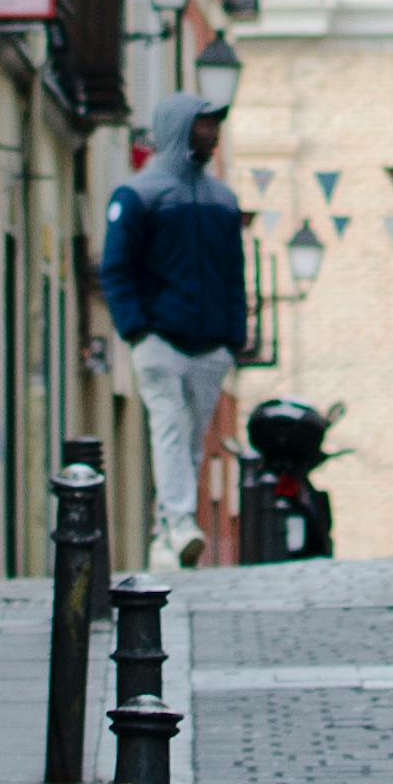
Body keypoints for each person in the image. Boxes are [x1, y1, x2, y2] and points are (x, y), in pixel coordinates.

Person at [101, 89, 245, 568]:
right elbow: (116, 269)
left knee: (189, 439)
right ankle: (181, 521)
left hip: (210, 346)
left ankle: (168, 533)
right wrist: (138, 330)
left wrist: (232, 336)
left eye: (215, 125)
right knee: (170, 426)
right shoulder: (139, 195)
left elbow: (234, 273)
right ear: (179, 129)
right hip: (159, 340)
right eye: (204, 125)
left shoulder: (224, 200)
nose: (213, 134)